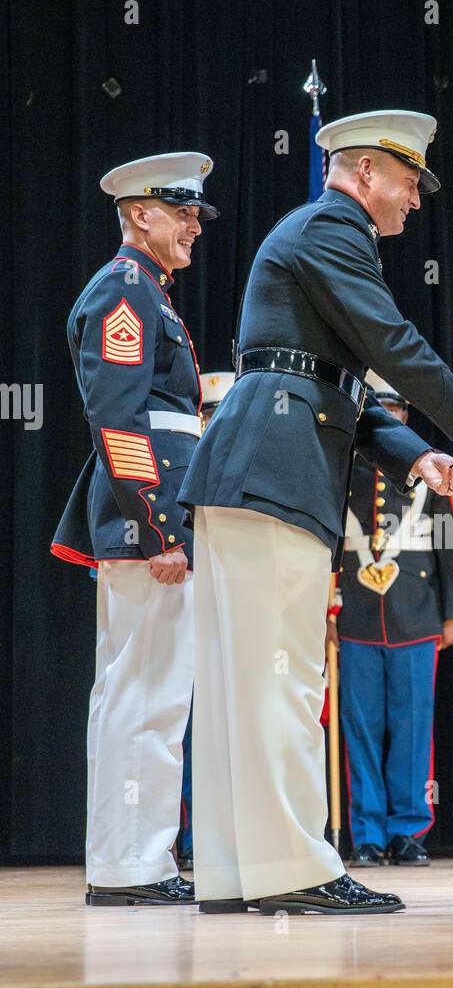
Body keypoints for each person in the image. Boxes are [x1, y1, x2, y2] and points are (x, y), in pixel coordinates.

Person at [179, 110, 453, 916]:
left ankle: (233, 870)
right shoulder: (331, 227)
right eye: (407, 181)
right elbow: (388, 342)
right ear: (363, 175)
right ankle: (293, 870)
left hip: (257, 463)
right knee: (281, 677)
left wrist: (413, 453)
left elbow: (333, 380)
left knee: (240, 681)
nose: (415, 201)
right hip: (276, 472)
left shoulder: (315, 234)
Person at [52, 152, 218, 905]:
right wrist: (156, 528)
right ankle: (127, 866)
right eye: (180, 212)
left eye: (195, 215)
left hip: (153, 518)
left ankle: (141, 860)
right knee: (140, 693)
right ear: (139, 215)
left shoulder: (148, 292)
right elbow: (117, 423)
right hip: (143, 524)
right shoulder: (125, 291)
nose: (193, 226)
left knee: (154, 694)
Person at [332, 373, 453, 866]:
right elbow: (329, 544)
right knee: (361, 728)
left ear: (409, 416)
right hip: (357, 618)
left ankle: (409, 830)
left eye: (399, 412)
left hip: (417, 615)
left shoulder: (433, 472)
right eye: (382, 411)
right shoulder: (343, 467)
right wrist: (327, 607)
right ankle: (367, 832)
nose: (392, 419)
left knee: (413, 729)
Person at [175, 371, 236, 873]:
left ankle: (230, 838)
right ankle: (193, 839)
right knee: (189, 730)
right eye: (209, 415)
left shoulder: (246, 465)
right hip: (186, 610)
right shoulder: (181, 467)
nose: (215, 423)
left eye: (223, 415)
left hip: (236, 613)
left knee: (232, 731)